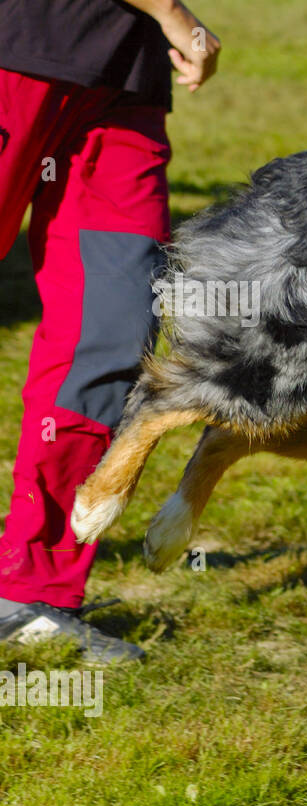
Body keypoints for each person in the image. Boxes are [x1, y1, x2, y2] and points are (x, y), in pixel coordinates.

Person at [0, 0, 220, 662]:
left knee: (111, 327)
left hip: (122, 81)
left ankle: (32, 592)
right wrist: (172, 13)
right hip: (19, 50)